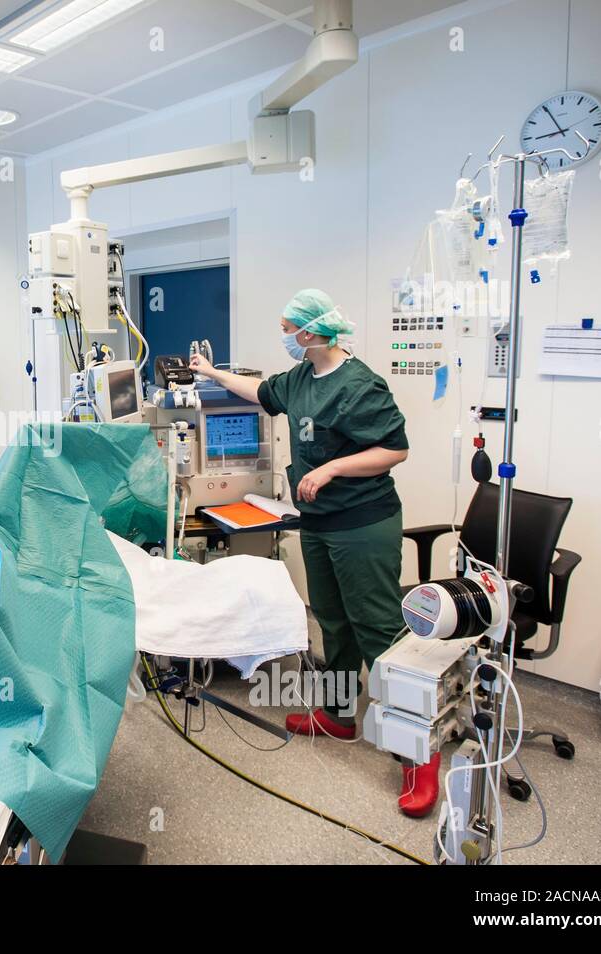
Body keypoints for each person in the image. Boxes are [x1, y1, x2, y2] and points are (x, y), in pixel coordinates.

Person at [189, 289, 430, 817]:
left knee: (375, 628)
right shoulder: (300, 378)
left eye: (287, 326)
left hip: (363, 523)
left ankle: (420, 753)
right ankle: (341, 716)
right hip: (320, 525)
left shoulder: (360, 384)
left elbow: (395, 449)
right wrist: (210, 372)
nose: (284, 335)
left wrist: (330, 469)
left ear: (312, 331)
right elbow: (258, 389)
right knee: (332, 622)